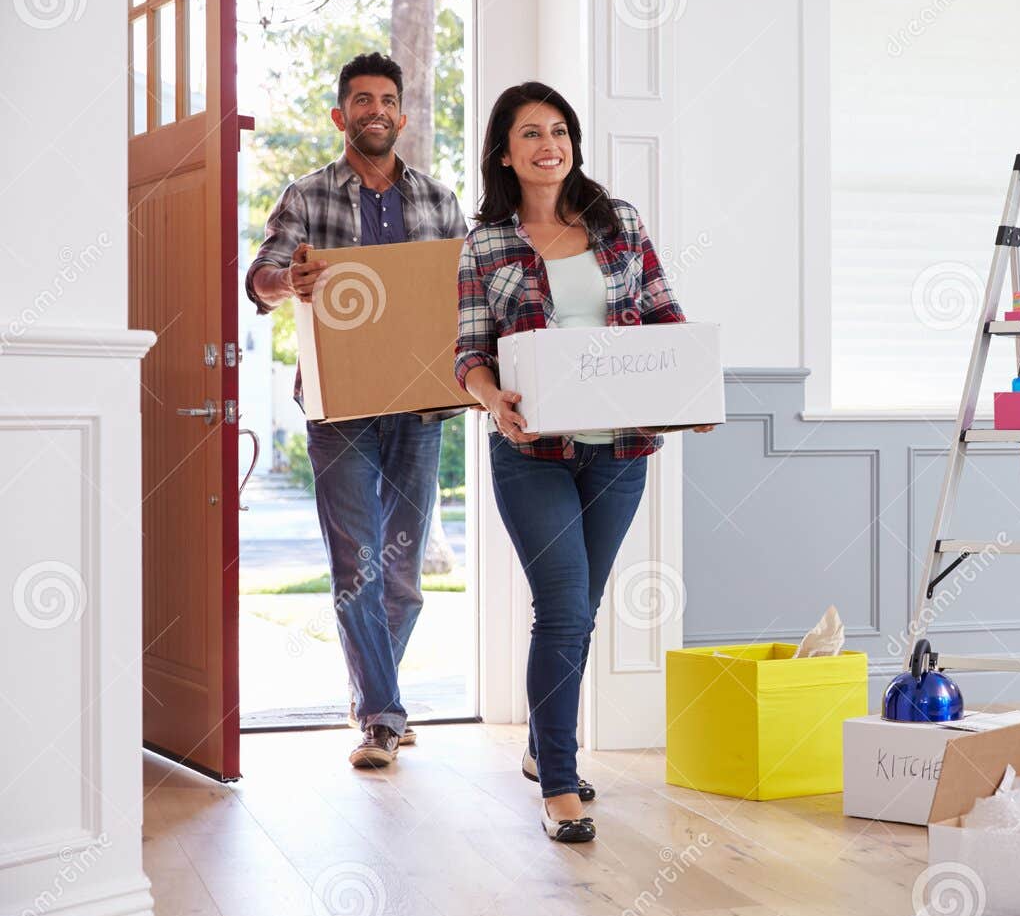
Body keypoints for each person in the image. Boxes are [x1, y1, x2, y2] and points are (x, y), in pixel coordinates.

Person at [455, 82, 712, 843]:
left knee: (582, 611)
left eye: (560, 130)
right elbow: (469, 351)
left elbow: (665, 319)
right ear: (505, 154)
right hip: (531, 450)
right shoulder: (486, 242)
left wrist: (690, 393)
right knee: (563, 610)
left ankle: (544, 745)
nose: (550, 145)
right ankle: (561, 786)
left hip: (620, 450)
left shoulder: (617, 222)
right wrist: (491, 398)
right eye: (531, 133)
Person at [246, 52, 468, 769]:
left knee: (402, 577)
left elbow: (462, 293)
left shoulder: (438, 201)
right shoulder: (307, 194)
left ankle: (377, 695)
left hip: (420, 405)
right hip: (338, 405)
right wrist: (290, 279)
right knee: (357, 566)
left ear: (402, 115)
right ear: (341, 116)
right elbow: (259, 277)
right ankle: (382, 717)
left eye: (388, 100)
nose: (377, 110)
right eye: (362, 100)